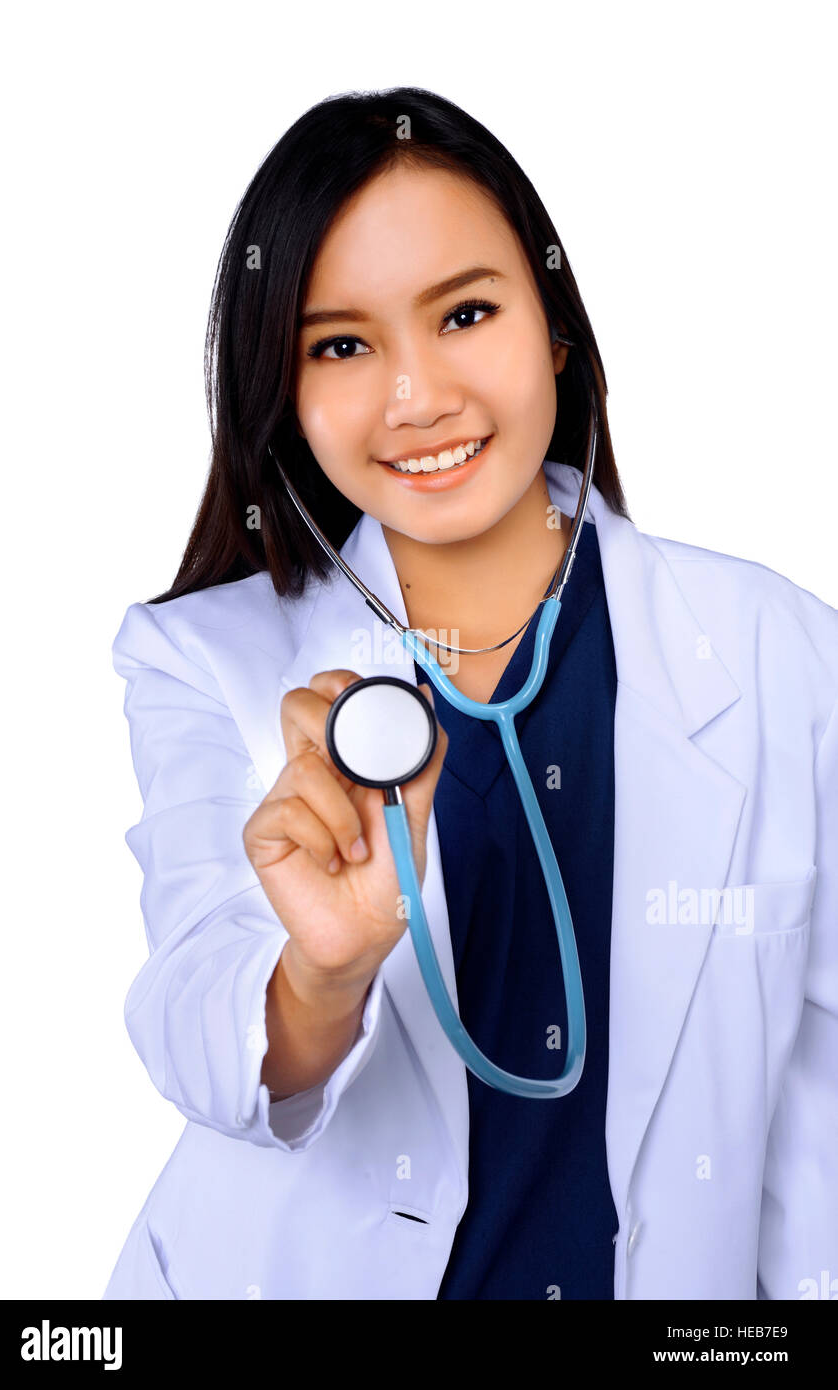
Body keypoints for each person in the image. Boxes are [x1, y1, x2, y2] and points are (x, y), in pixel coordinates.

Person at [103, 87, 838, 1301]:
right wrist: (323, 972)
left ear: (554, 328)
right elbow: (197, 1033)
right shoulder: (205, 658)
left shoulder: (777, 650)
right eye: (342, 345)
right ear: (286, 394)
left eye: (465, 313)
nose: (417, 395)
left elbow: (819, 1090)